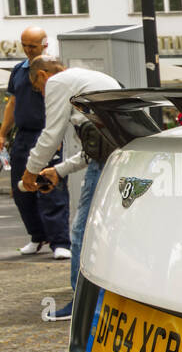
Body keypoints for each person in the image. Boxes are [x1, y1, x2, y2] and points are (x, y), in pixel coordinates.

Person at [23, 56, 120, 319]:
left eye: (37, 88)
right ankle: (108, 300)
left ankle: (82, 308)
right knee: (108, 232)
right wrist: (58, 170)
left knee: (81, 231)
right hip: (120, 159)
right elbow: (96, 146)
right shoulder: (90, 79)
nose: (41, 93)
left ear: (42, 75)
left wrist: (30, 172)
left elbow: (51, 135)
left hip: (106, 162)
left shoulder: (57, 82)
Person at [0, 27, 70, 258]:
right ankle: (37, 237)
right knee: (21, 190)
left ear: (44, 45)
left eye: (33, 46)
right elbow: (12, 103)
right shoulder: (19, 71)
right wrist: (2, 133)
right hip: (22, 136)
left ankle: (60, 242)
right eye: (25, 45)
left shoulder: (52, 71)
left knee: (50, 187)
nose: (28, 50)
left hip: (47, 133)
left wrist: (58, 135)